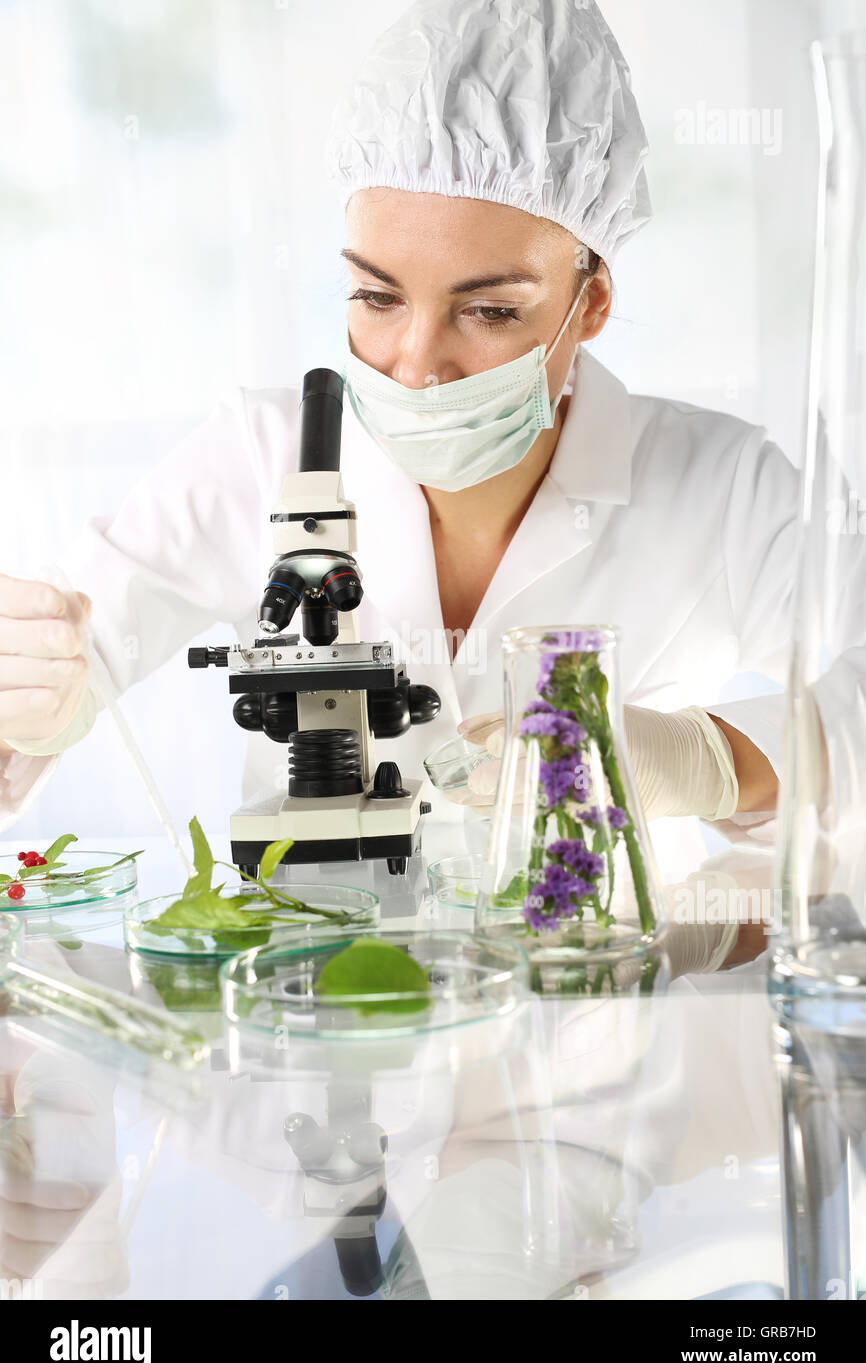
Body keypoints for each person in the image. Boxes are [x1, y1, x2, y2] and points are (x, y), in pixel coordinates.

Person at [0, 0, 851, 870]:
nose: (415, 365)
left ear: (590, 302)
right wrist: (32, 706)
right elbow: (60, 659)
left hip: (608, 976)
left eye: (489, 311)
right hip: (313, 982)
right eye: (377, 297)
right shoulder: (263, 454)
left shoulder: (727, 487)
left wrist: (710, 763)